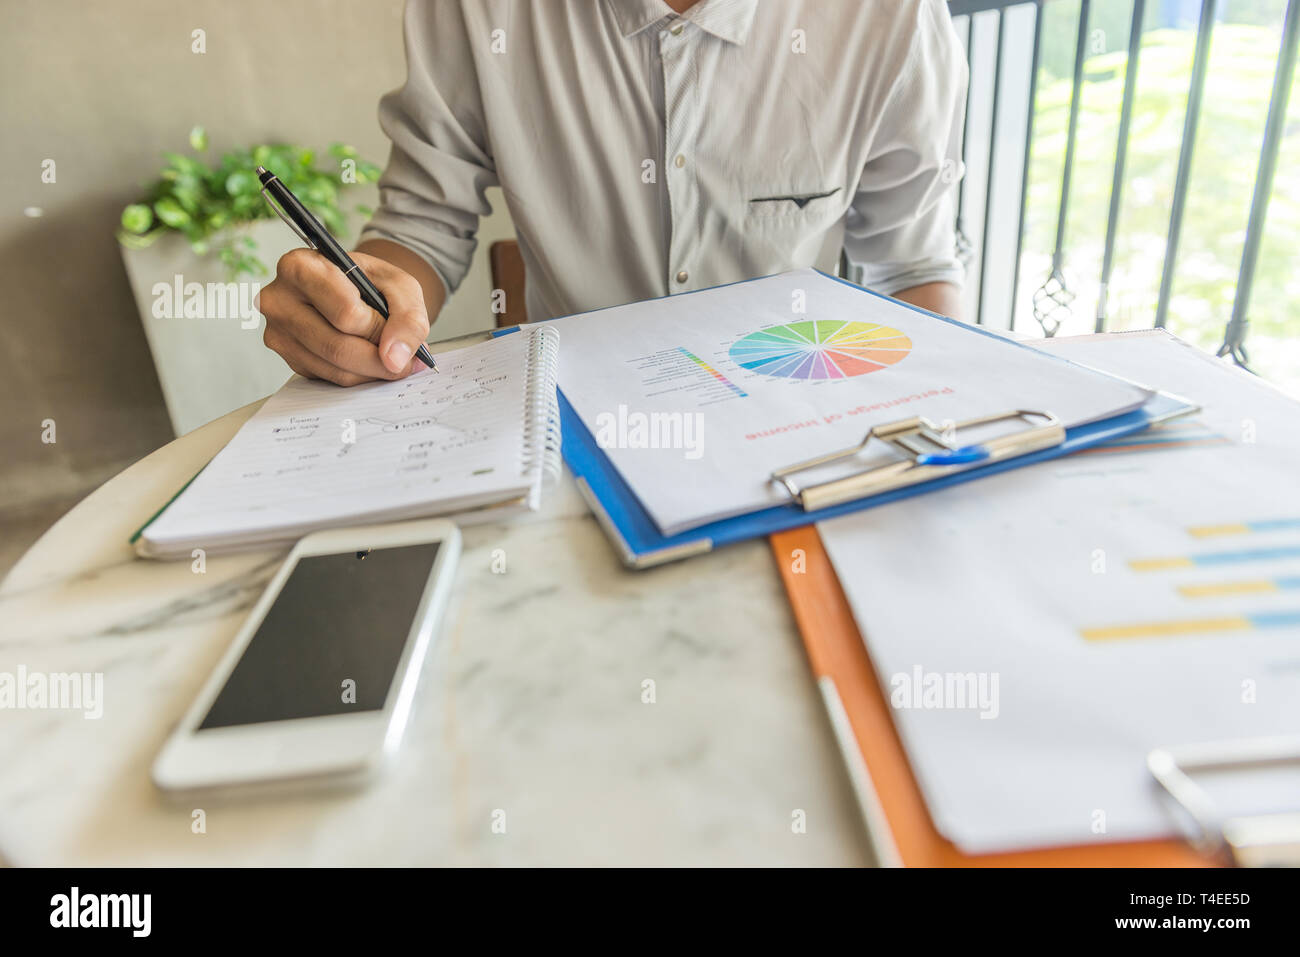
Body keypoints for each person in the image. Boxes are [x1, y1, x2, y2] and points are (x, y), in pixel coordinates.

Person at [259, 0, 968, 386]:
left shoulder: (892, 16)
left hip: (798, 417)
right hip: (567, 437)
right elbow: (423, 223)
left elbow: (912, 270)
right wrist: (368, 302)